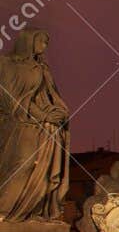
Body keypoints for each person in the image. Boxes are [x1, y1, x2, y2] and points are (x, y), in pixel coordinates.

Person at [0, 28, 70, 221]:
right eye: (41, 41)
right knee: (23, 165)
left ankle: (33, 212)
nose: (44, 46)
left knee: (43, 171)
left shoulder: (42, 68)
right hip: (20, 125)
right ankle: (5, 212)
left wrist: (58, 112)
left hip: (45, 128)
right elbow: (12, 99)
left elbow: (51, 96)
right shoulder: (8, 65)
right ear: (28, 41)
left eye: (47, 42)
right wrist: (43, 115)